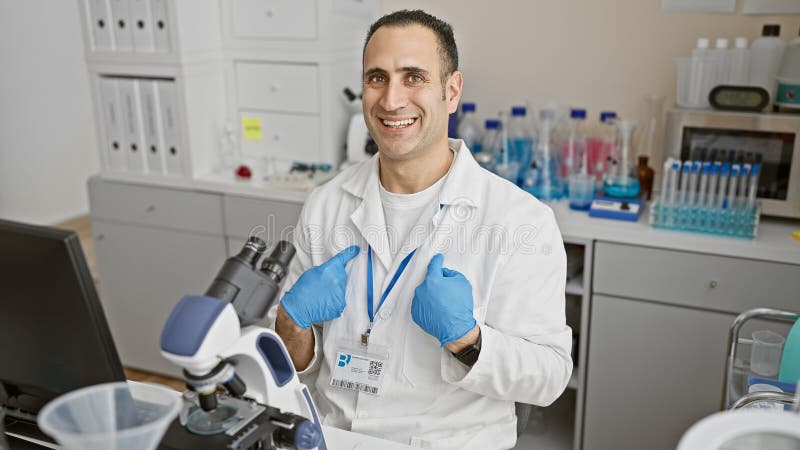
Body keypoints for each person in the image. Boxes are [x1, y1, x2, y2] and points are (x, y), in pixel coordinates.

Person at [272, 9, 572, 449]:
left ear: (452, 92)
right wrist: (290, 324)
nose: (391, 100)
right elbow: (297, 365)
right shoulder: (326, 203)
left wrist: (467, 339)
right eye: (377, 78)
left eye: (413, 77)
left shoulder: (518, 220)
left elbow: (549, 377)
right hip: (331, 437)